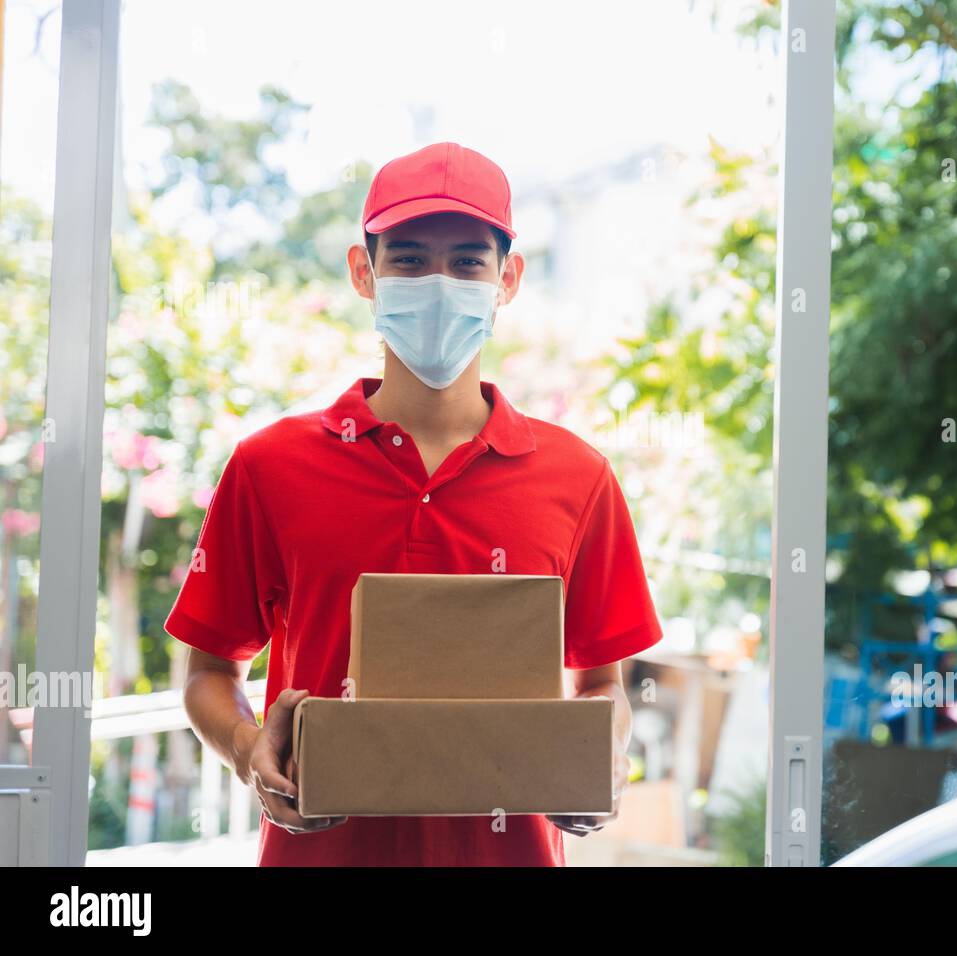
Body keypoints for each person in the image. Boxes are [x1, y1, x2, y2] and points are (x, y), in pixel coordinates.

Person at [165, 141, 663, 866]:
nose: (438, 281)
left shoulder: (578, 478)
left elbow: (602, 685)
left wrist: (602, 760)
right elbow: (208, 671)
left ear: (508, 279)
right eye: (408, 259)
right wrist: (249, 751)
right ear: (363, 273)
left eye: (466, 262)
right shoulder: (269, 466)